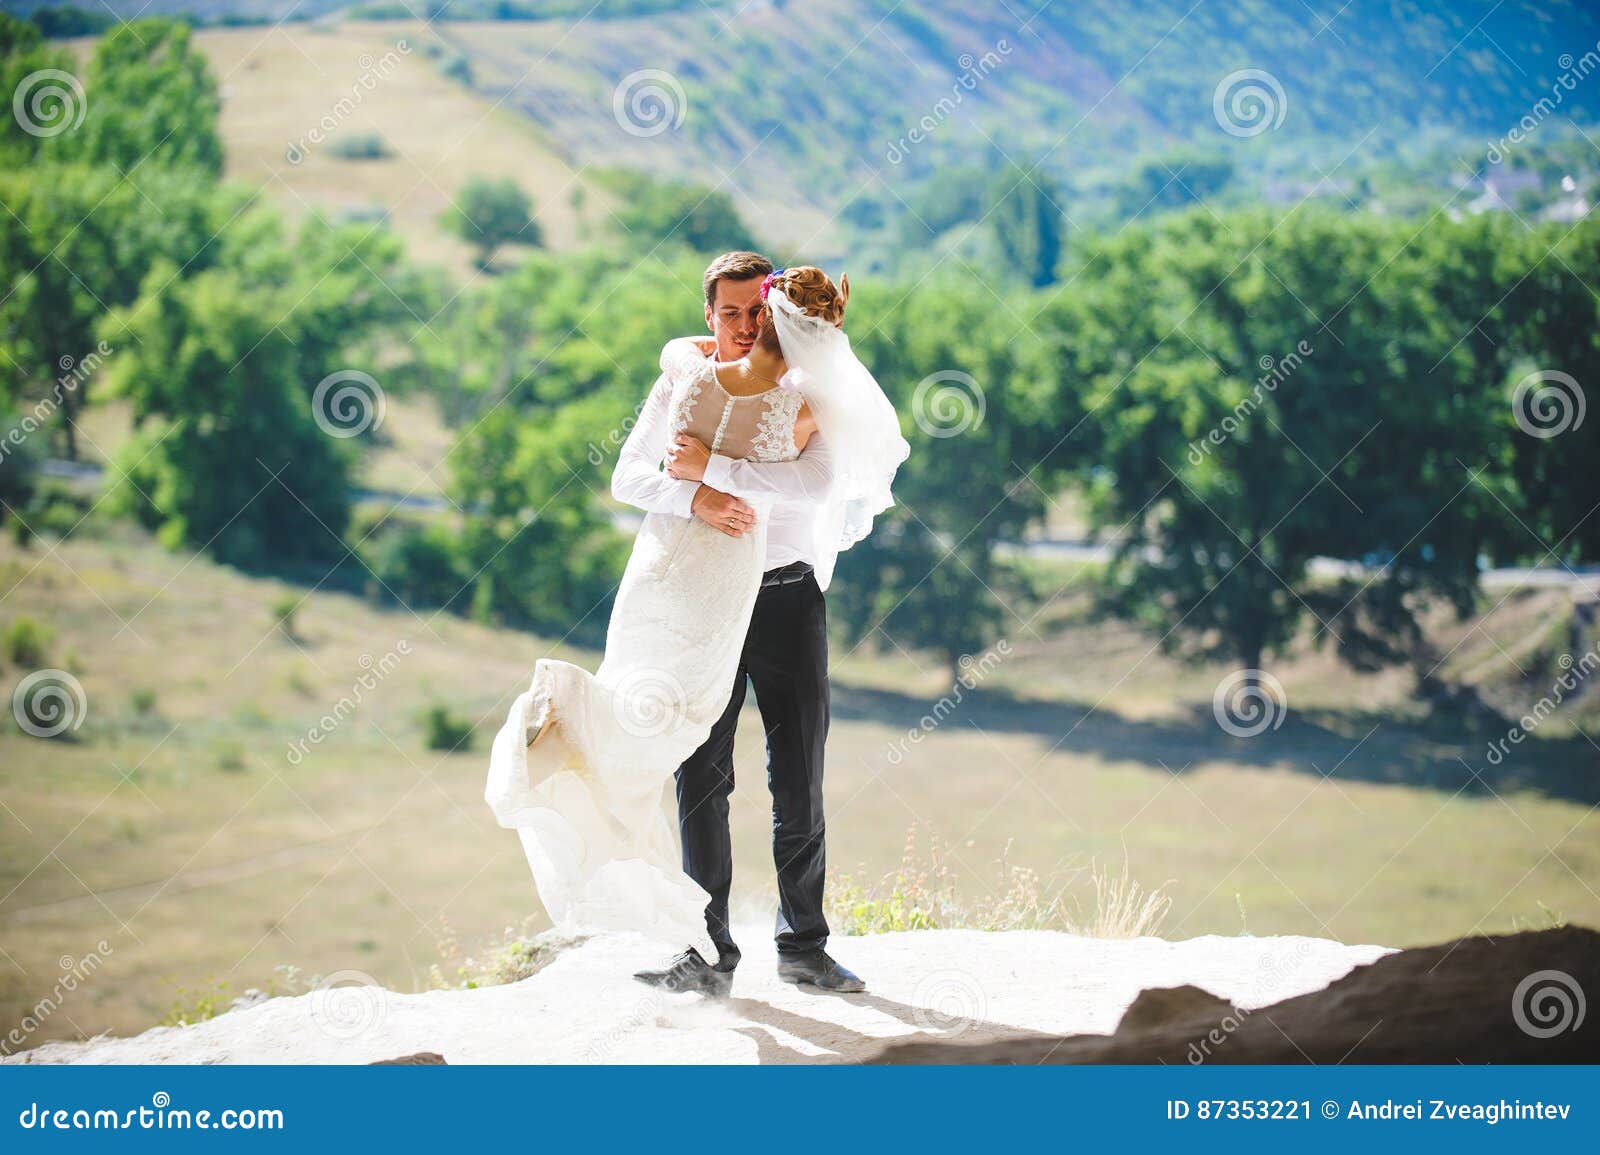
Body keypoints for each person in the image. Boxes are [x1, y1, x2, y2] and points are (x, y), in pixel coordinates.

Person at [485, 254, 906, 996]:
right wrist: (696, 499)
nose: (745, 325)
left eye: (757, 312)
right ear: (708, 315)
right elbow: (629, 476)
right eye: (730, 313)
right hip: (703, 605)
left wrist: (715, 470)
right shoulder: (682, 379)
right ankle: (708, 955)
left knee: (799, 776)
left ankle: (805, 946)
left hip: (787, 597)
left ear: (776, 313)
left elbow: (815, 484)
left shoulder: (813, 390)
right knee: (701, 776)